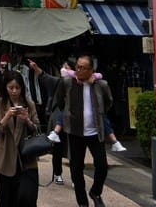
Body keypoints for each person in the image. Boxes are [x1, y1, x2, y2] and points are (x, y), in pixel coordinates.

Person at [49, 54, 113, 207]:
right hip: (75, 132)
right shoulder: (67, 83)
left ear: (91, 70)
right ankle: (83, 203)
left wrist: (98, 114)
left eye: (83, 68)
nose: (79, 70)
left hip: (95, 132)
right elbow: (59, 101)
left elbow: (108, 102)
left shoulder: (101, 85)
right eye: (78, 66)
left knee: (102, 166)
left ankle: (95, 192)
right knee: (76, 169)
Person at [48, 60, 126, 153]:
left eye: (66, 66)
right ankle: (114, 141)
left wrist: (92, 77)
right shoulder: (69, 80)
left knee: (102, 117)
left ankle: (115, 142)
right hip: (76, 124)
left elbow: (108, 100)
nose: (63, 69)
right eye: (78, 67)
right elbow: (65, 75)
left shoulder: (98, 83)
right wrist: (75, 75)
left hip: (94, 126)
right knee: (65, 111)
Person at [0, 69, 41, 207]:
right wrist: (6, 117)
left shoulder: (29, 104)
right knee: (6, 199)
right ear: (5, 88)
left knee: (27, 198)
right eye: (11, 87)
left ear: (22, 88)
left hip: (26, 159)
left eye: (17, 88)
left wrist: (27, 120)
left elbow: (37, 130)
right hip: (6, 158)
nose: (14, 91)